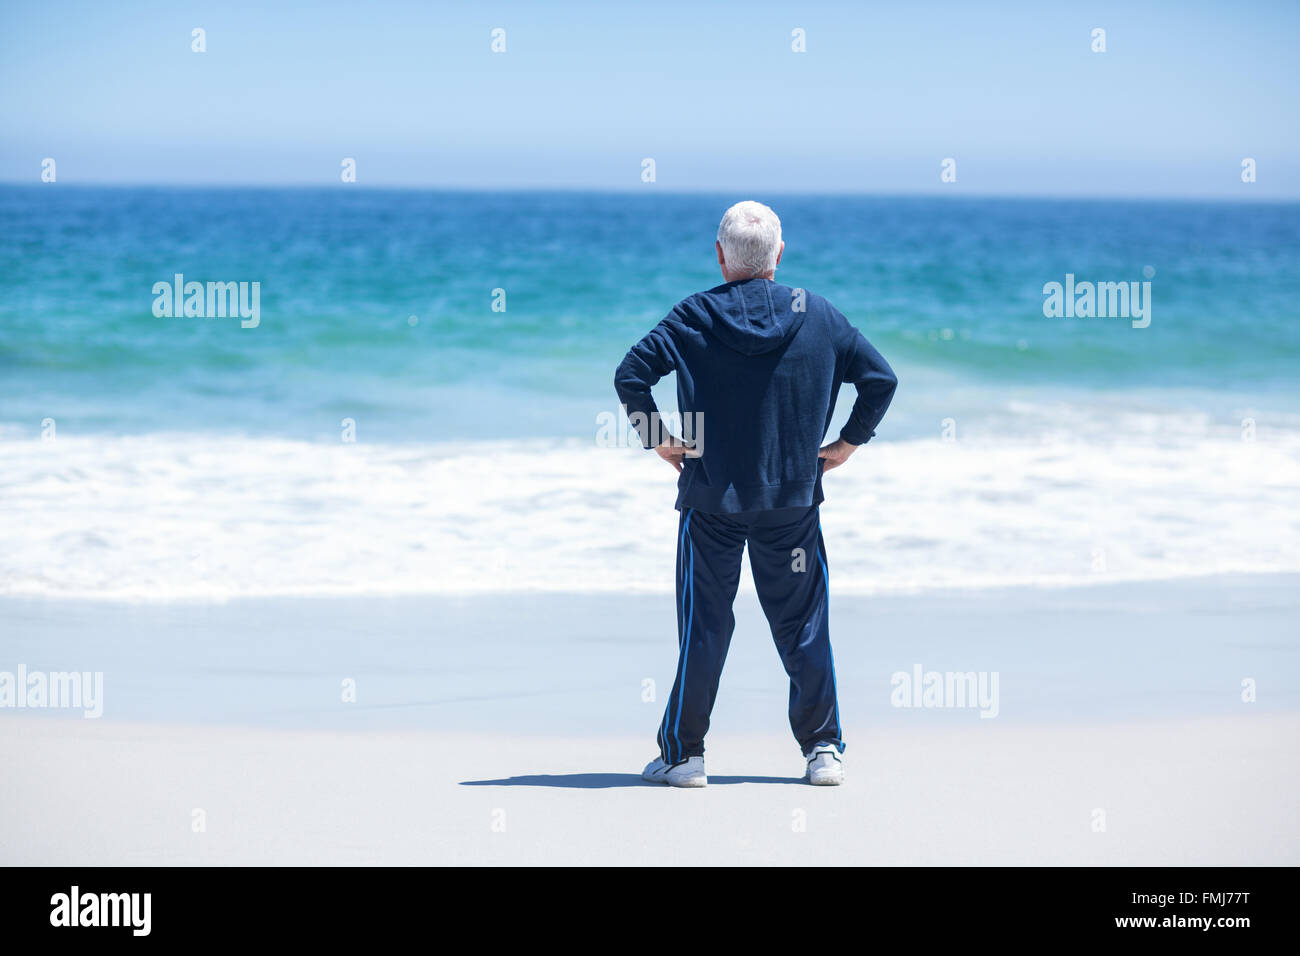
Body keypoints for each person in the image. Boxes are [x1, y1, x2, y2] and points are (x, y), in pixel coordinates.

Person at [614, 200, 898, 787]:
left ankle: (684, 756)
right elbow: (880, 379)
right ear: (778, 255)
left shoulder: (694, 314)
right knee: (803, 624)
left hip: (712, 503)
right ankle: (823, 750)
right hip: (791, 504)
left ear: (721, 257)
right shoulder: (816, 314)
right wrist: (847, 444)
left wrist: (661, 440)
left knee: (706, 626)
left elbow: (630, 374)